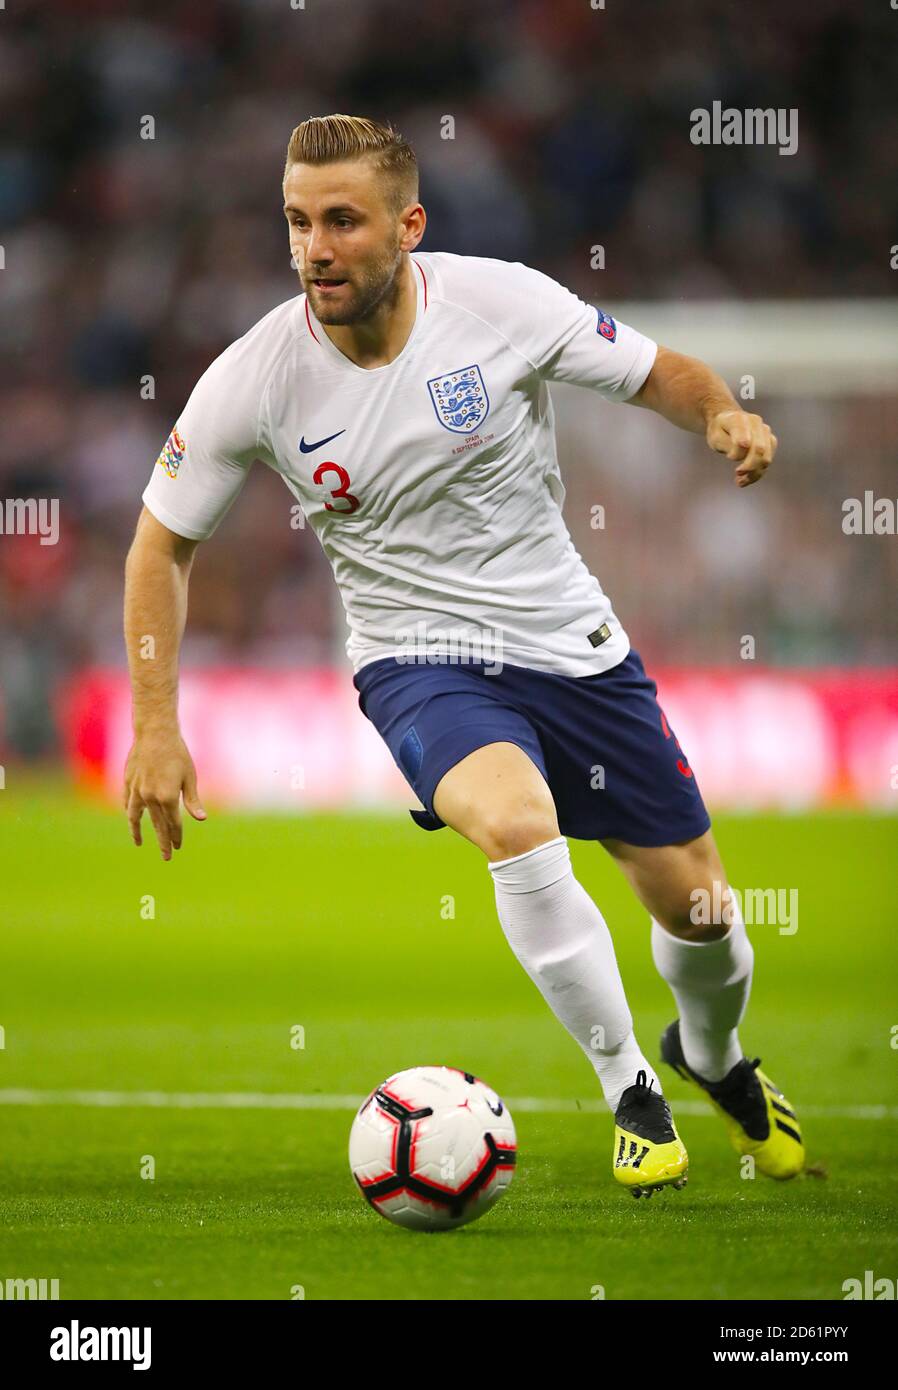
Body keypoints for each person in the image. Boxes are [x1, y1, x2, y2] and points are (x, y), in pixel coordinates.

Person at [124, 114, 803, 1197]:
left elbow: (657, 371)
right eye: (298, 222)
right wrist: (154, 723)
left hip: (572, 646)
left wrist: (722, 416)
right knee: (515, 822)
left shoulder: (504, 304)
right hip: (417, 657)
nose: (316, 248)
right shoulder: (254, 376)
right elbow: (161, 543)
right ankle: (630, 1086)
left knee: (702, 911)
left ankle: (710, 1054)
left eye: (342, 220)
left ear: (409, 225)